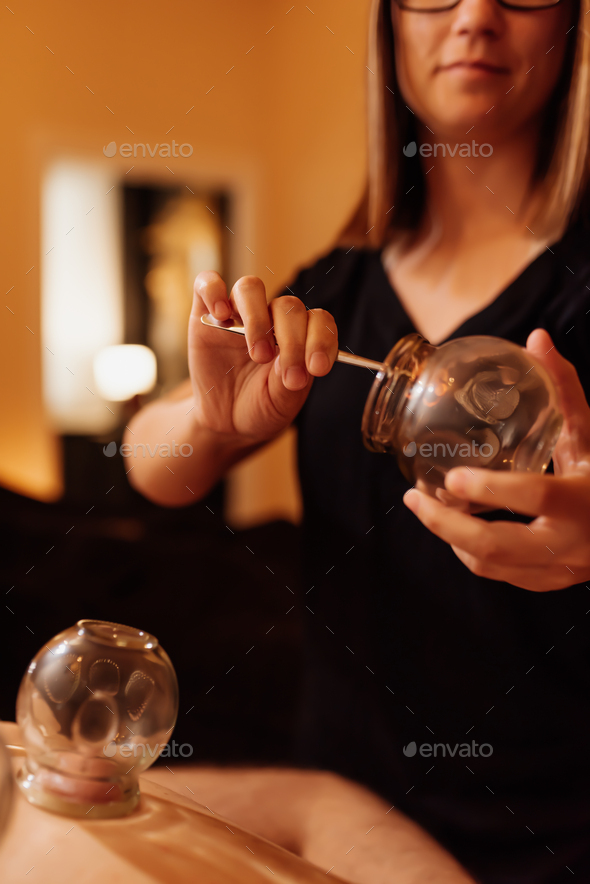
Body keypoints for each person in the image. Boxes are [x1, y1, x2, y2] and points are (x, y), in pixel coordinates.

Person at [126, 0, 590, 880]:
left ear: (569, 27)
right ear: (390, 28)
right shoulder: (334, 291)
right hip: (335, 822)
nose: (477, 16)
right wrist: (207, 424)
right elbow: (150, 471)